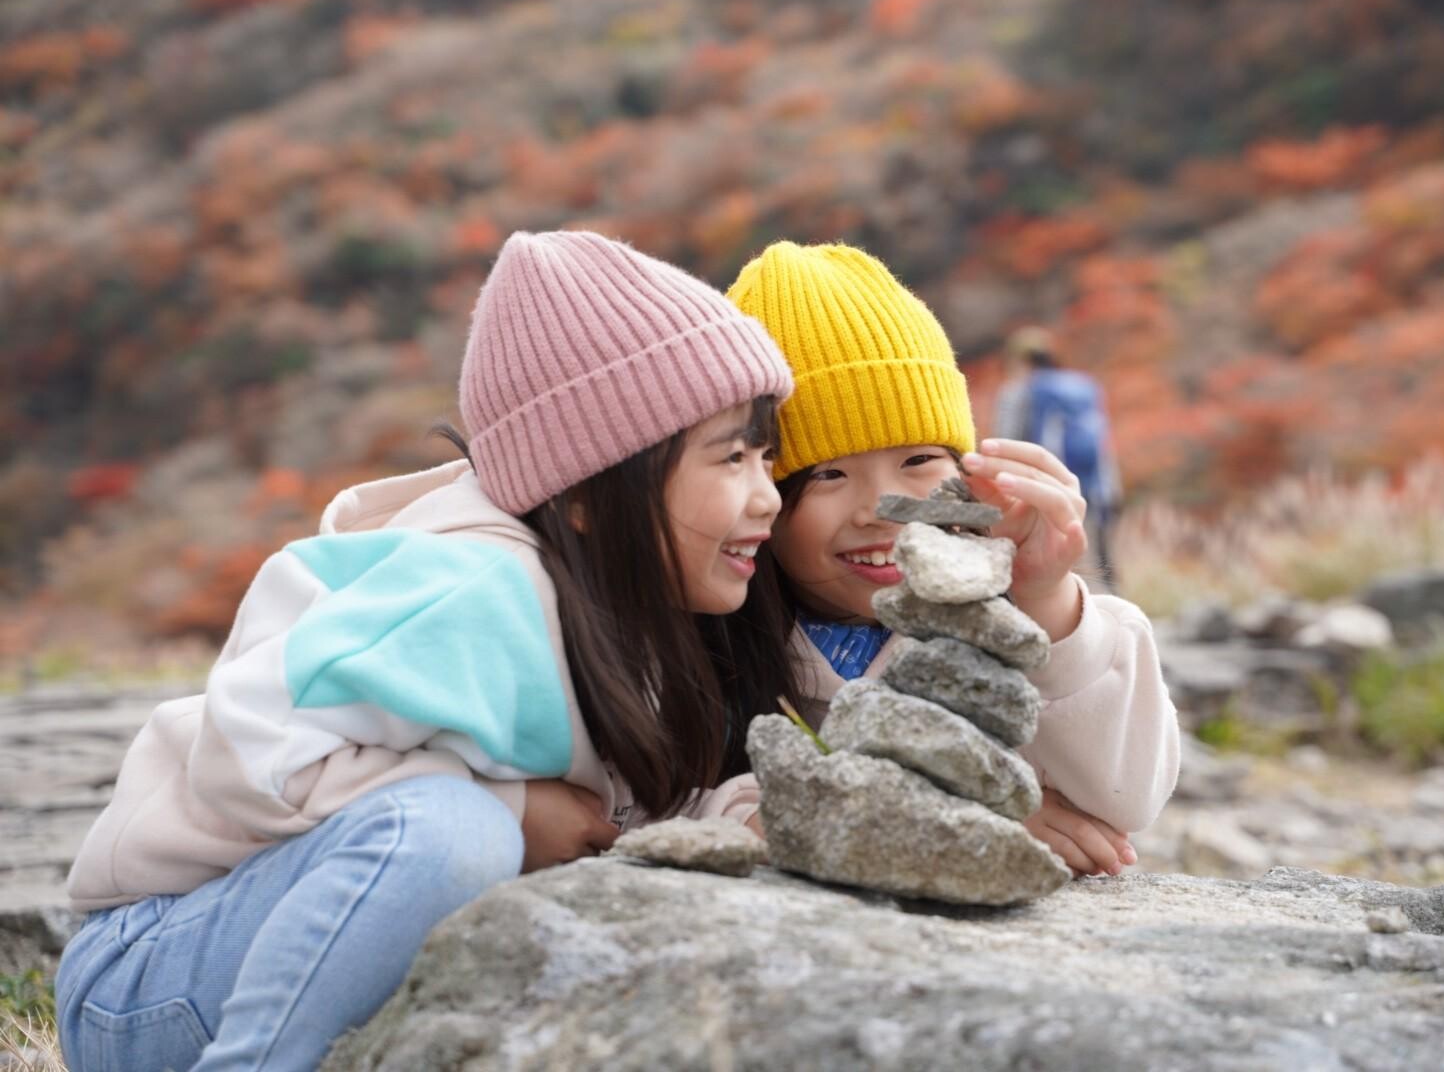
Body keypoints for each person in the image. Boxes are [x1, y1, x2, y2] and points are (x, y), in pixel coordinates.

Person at [52, 230, 799, 1072]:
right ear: (591, 490)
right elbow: (248, 753)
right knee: (455, 834)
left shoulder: (641, 616)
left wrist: (737, 821)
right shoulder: (470, 591)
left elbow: (617, 816)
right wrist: (513, 813)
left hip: (306, 958)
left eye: (765, 454)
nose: (766, 495)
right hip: (156, 976)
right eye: (731, 456)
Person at [726, 242, 1179, 878]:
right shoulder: (719, 637)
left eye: (918, 461)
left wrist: (1047, 601)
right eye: (826, 474)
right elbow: (673, 805)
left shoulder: (1006, 618)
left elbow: (1127, 795)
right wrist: (951, 813)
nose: (880, 508)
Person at [995, 325, 1123, 587]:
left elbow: (1004, 444)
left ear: (1020, 359)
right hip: (1097, 487)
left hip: (1043, 490)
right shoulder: (1083, 387)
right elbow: (1102, 443)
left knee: (1051, 561)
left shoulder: (1017, 391)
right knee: (1099, 553)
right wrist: (1112, 488)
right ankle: (1114, 610)